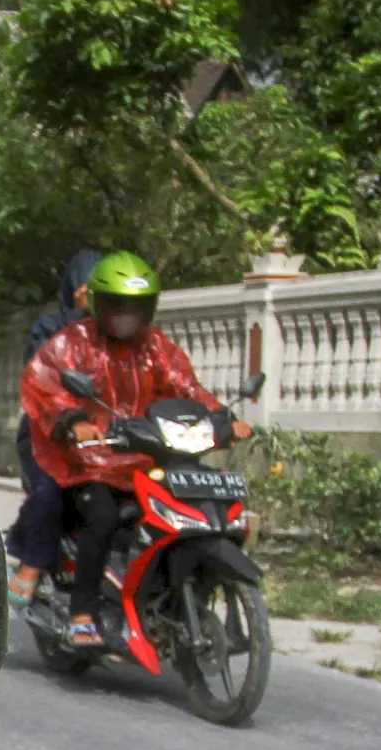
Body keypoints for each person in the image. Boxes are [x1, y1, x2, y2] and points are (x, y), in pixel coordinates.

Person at [20, 251, 251, 648]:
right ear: (99, 304)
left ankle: (176, 594)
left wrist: (222, 418)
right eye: (118, 306)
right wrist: (74, 422)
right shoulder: (72, 343)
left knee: (197, 504)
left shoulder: (156, 347)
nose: (127, 316)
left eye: (136, 307)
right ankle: (82, 613)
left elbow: (187, 387)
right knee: (103, 515)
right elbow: (46, 385)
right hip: (90, 460)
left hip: (146, 454)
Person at [6, 249, 104, 603]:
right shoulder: (50, 327)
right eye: (88, 286)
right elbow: (41, 378)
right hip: (48, 433)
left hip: (108, 436)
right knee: (52, 487)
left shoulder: (119, 334)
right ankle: (30, 566)